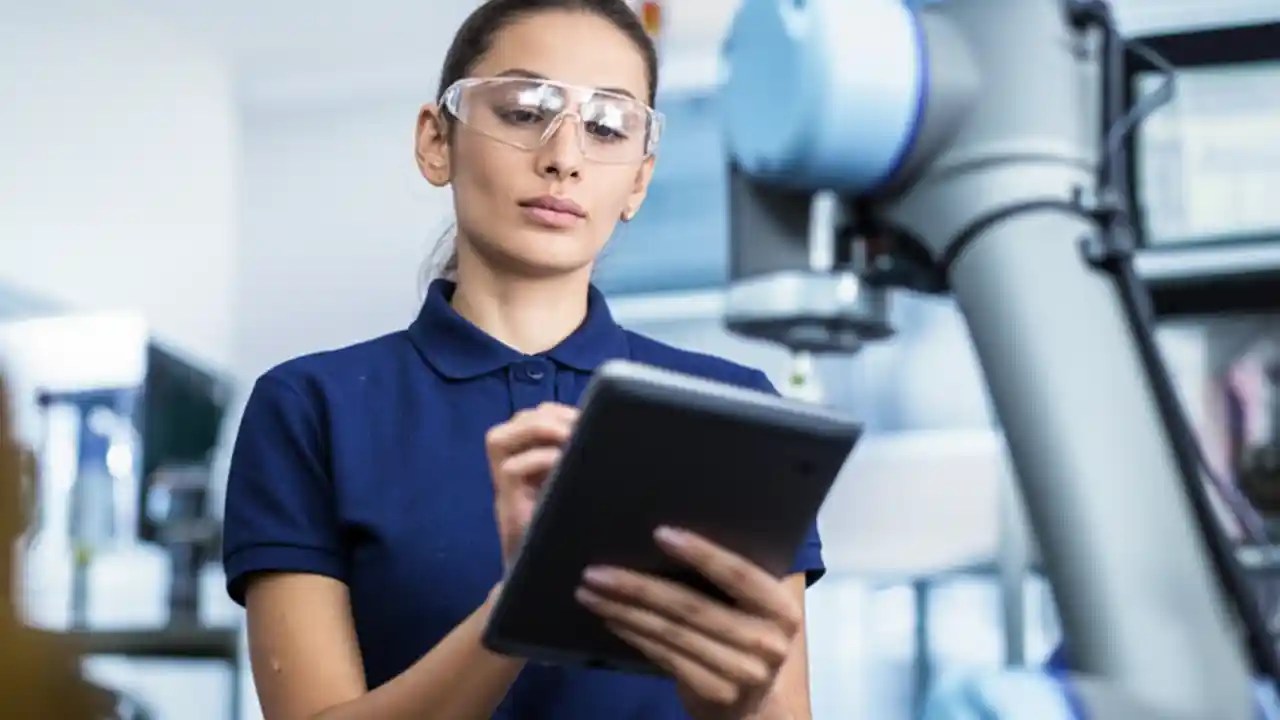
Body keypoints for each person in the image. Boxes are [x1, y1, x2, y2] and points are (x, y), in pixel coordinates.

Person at [221, 1, 826, 718]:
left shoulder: (732, 413)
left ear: (637, 180)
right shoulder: (311, 408)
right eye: (522, 109)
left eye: (607, 127)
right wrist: (520, 604)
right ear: (436, 141)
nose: (564, 157)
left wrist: (733, 701)